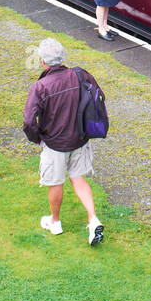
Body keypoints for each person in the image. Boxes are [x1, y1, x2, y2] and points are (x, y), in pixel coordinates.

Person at [23, 38, 105, 245]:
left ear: (43, 62)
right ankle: (93, 219)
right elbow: (99, 96)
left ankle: (55, 222)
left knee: (55, 182)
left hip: (55, 143)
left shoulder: (40, 86)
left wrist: (38, 140)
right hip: (79, 139)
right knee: (78, 178)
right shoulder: (80, 75)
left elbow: (28, 122)